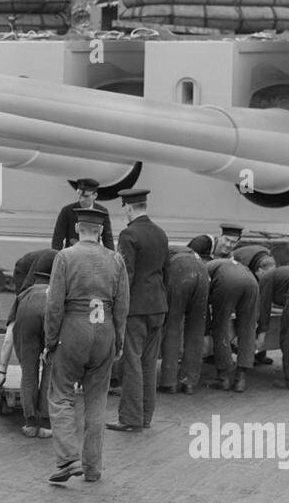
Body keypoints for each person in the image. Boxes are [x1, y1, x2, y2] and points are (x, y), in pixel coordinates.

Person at [44, 209, 129, 484]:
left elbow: (54, 305)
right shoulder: (116, 260)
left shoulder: (65, 256)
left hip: (73, 328)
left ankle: (69, 458)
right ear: (102, 230)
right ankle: (93, 468)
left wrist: (49, 341)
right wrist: (118, 340)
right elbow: (123, 306)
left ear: (78, 228)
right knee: (96, 401)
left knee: (61, 395)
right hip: (105, 330)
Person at [107, 188, 169, 432]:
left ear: (128, 207)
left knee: (131, 361)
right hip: (158, 307)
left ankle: (130, 418)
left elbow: (125, 276)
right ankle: (145, 415)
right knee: (149, 362)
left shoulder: (128, 235)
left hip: (136, 310)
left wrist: (116, 307)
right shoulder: (161, 234)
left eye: (123, 208)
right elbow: (167, 271)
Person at [0, 250, 55, 438]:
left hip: (26, 318)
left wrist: (2, 374)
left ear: (34, 278)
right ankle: (46, 424)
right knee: (50, 369)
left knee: (29, 371)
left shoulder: (22, 296)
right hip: (51, 313)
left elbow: (8, 340)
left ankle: (30, 423)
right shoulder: (57, 295)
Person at [161, 238, 212, 394]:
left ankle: (169, 382)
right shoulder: (190, 253)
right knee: (196, 328)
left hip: (180, 272)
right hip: (202, 274)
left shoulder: (161, 251)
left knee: (173, 326)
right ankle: (189, 382)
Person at [204, 253, 259, 393]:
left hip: (227, 282)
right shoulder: (223, 264)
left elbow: (203, 299)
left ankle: (223, 378)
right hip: (251, 282)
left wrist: (207, 324)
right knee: (248, 327)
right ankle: (241, 378)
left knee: (220, 327)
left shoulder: (204, 268)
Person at [51, 178, 113, 250]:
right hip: (72, 254)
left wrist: (112, 258)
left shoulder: (102, 211)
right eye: (80, 195)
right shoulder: (67, 211)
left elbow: (108, 239)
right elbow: (58, 238)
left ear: (95, 195)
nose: (82, 199)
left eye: (86, 196)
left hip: (93, 254)